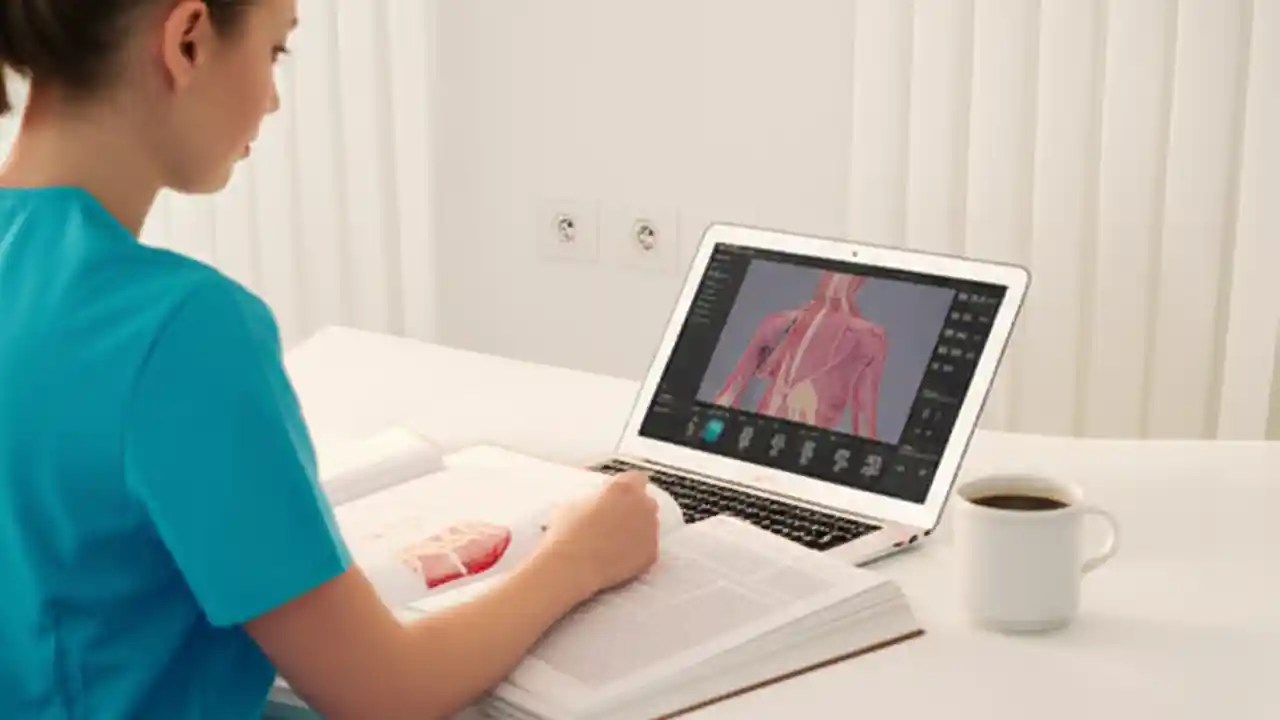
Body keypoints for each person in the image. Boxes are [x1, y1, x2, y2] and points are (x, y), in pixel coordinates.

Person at [0, 1, 660, 718]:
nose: (274, 98)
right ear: (188, 40)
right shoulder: (179, 328)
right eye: (275, 53)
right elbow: (385, 692)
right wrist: (580, 557)